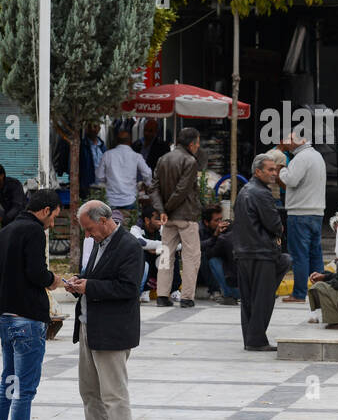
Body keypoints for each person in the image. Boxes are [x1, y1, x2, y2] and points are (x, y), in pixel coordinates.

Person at [0, 189, 65, 420]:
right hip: (27, 322)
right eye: (55, 217)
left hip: (7, 320)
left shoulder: (8, 230)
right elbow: (36, 273)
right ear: (45, 210)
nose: (53, 224)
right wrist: (53, 280)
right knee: (24, 390)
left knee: (8, 384)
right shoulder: (33, 232)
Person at [67, 200, 144, 420]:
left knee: (113, 392)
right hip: (89, 325)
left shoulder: (129, 246)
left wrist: (90, 287)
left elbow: (128, 289)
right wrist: (80, 282)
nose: (87, 235)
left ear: (103, 220)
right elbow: (98, 278)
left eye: (89, 229)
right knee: (89, 390)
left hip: (113, 330)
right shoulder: (98, 244)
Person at [234, 154, 286, 351]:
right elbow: (274, 224)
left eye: (275, 170)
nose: (274, 173)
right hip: (261, 252)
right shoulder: (261, 193)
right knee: (262, 299)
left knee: (248, 299)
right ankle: (256, 339)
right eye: (270, 170)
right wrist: (279, 231)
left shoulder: (245, 190)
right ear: (258, 171)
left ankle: (251, 338)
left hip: (244, 252)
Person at [151, 127, 204, 308]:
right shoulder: (190, 161)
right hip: (186, 216)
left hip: (168, 219)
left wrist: (161, 210)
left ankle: (162, 295)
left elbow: (154, 188)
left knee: (166, 255)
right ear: (191, 144)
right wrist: (167, 208)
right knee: (191, 257)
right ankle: (187, 297)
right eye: (197, 143)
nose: (198, 146)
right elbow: (182, 190)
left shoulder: (162, 159)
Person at [279, 133, 328, 304]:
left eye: (288, 140)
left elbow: (291, 180)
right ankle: (322, 293)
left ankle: (299, 294)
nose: (286, 143)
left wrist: (282, 170)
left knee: (299, 255)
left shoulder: (301, 158)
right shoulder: (317, 156)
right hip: (316, 212)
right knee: (315, 254)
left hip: (300, 213)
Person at [96, 129, 152, 224]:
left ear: (116, 141)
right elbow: (148, 173)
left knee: (110, 229)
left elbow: (99, 176)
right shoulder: (136, 156)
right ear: (130, 141)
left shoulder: (107, 155)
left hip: (111, 200)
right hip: (130, 199)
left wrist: (109, 180)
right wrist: (147, 184)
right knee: (130, 228)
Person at [200, 206, 239, 305]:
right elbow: (199, 247)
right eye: (216, 220)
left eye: (221, 219)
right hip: (202, 272)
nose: (220, 223)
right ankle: (215, 291)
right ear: (206, 222)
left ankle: (231, 292)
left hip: (229, 271)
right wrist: (215, 236)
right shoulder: (199, 229)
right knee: (207, 256)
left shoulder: (226, 227)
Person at [79, 123, 106, 194]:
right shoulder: (81, 146)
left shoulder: (103, 146)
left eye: (95, 126)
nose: (92, 129)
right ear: (86, 128)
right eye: (89, 127)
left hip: (102, 186)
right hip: (87, 187)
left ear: (99, 128)